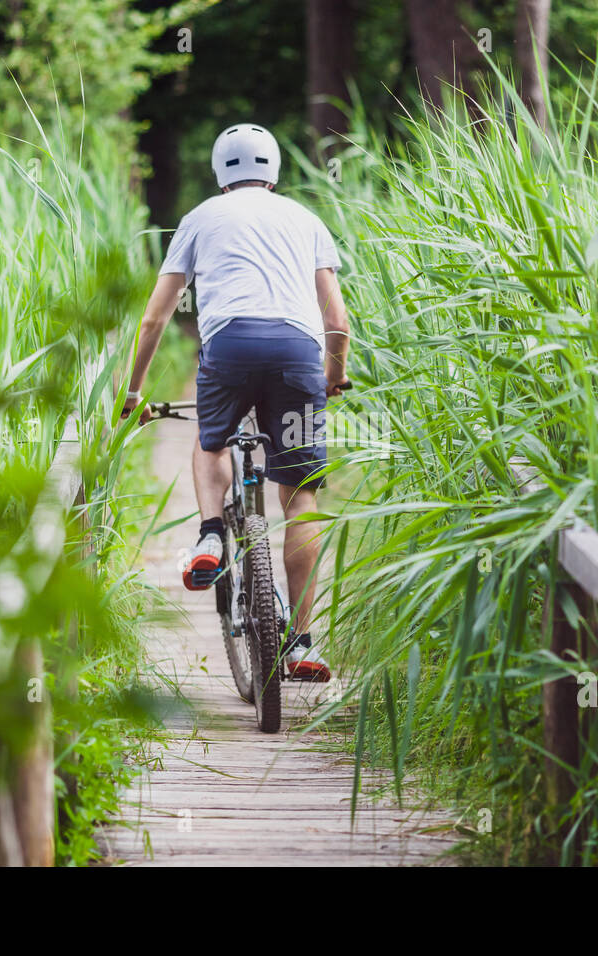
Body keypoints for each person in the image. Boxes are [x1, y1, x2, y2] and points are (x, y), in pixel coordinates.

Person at [122, 123, 350, 682]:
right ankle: (301, 642)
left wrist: (132, 391)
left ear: (220, 173)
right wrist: (332, 378)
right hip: (299, 353)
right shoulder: (307, 220)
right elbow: (338, 324)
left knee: (212, 440)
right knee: (300, 497)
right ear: (273, 171)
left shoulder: (200, 218)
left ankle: (209, 534)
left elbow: (155, 317)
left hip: (228, 347)